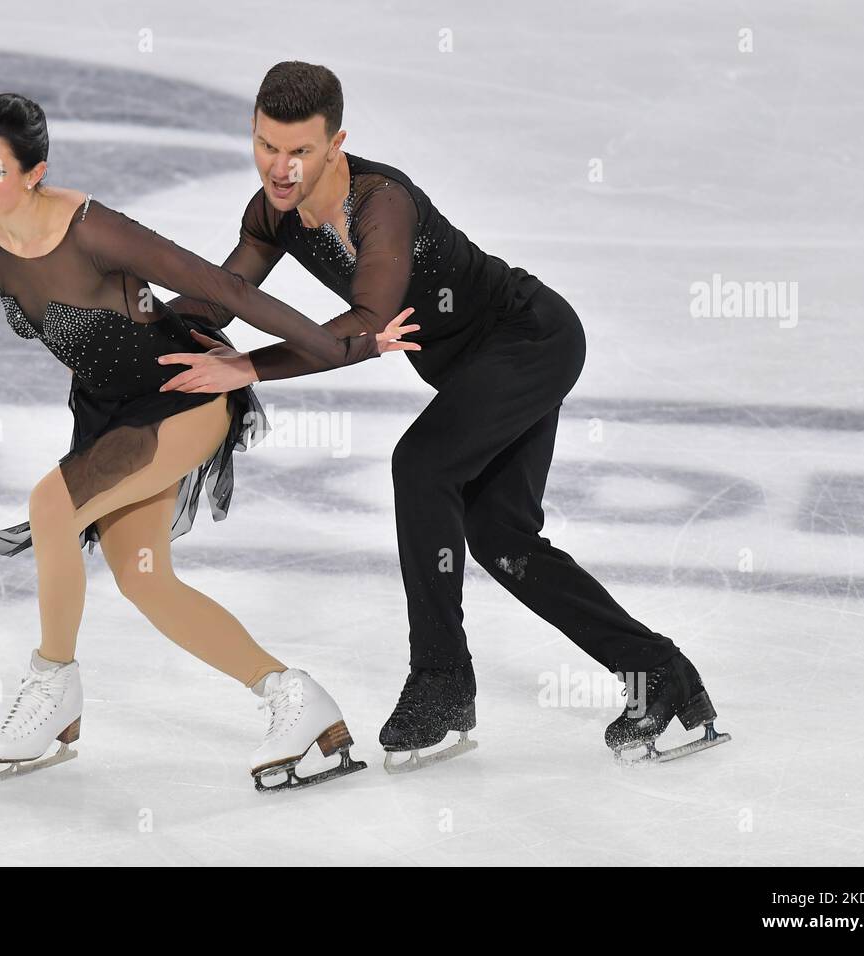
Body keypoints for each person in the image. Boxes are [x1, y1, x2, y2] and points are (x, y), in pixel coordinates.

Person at [155, 62, 730, 768]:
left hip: (531, 339)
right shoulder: (272, 211)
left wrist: (245, 366)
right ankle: (662, 676)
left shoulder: (381, 204)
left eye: (299, 150)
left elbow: (370, 323)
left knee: (420, 465)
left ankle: (441, 679)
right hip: (476, 374)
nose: (280, 167)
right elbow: (220, 297)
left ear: (336, 144)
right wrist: (133, 327)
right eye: (266, 145)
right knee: (500, 536)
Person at [0, 92, 420, 790]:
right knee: (144, 577)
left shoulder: (92, 230)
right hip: (106, 414)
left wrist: (341, 343)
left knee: (51, 507)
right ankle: (295, 699)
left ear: (34, 173)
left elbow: (220, 287)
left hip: (180, 394)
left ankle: (53, 687)